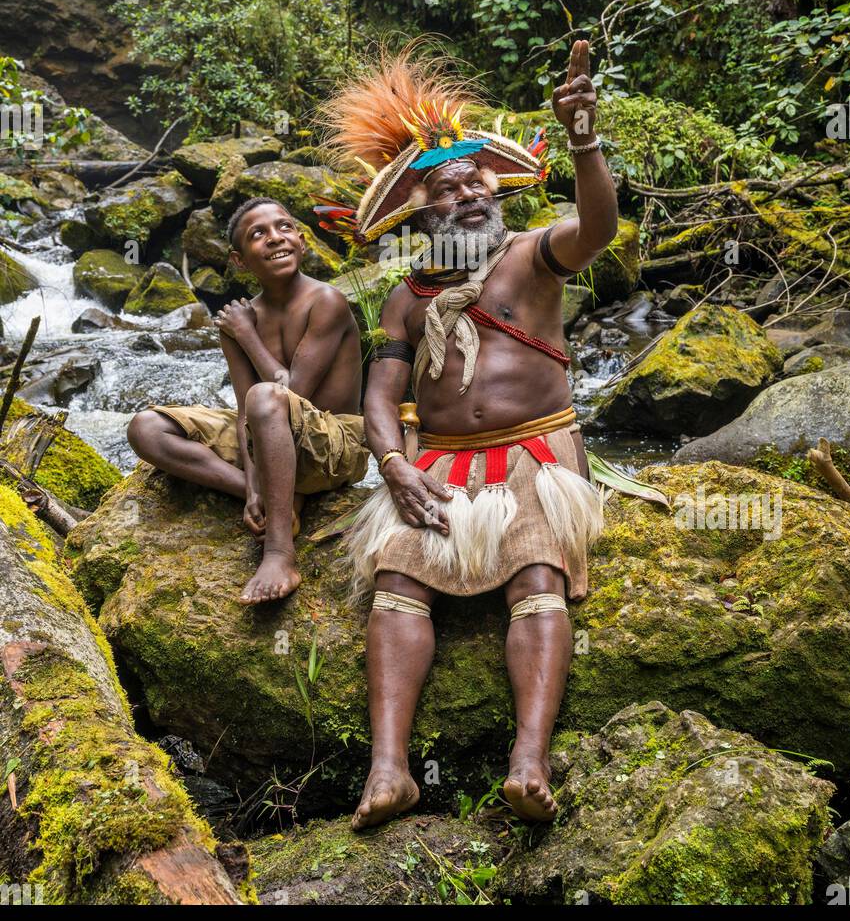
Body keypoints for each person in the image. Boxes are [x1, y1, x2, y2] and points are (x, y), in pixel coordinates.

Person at [317, 40, 619, 829]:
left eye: (475, 182)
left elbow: (597, 227)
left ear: (497, 190)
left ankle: (529, 761)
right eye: (446, 190)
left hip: (535, 455)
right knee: (397, 583)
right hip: (437, 466)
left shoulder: (533, 256)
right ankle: (390, 771)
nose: (468, 195)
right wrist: (394, 468)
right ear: (423, 215)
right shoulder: (405, 301)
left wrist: (583, 140)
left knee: (536, 579)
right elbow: (379, 393)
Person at [127, 197, 367, 604]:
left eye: (285, 227)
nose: (276, 238)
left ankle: (279, 553)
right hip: (269, 437)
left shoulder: (326, 301)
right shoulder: (237, 322)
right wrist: (254, 487)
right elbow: (244, 413)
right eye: (259, 234)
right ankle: (277, 497)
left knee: (267, 395)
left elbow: (290, 394)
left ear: (303, 242)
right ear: (239, 261)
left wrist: (248, 335)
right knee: (146, 427)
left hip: (332, 445)